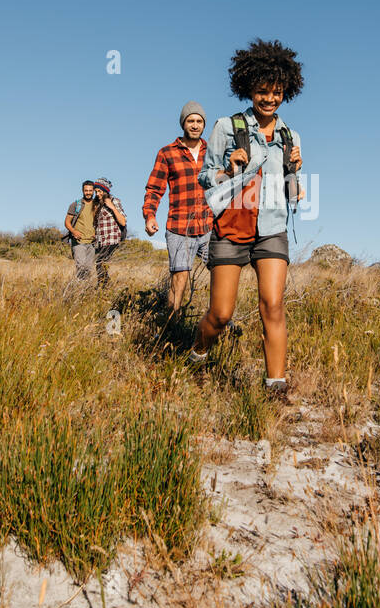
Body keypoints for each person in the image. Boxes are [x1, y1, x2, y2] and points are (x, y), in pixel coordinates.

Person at [191, 38, 304, 401]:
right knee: (221, 314)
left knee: (272, 305)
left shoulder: (290, 135)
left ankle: (276, 389)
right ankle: (198, 355)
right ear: (249, 89)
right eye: (262, 91)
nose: (270, 99)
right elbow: (206, 177)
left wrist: (295, 174)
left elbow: (291, 191)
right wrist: (227, 168)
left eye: (277, 92)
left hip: (271, 229)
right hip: (232, 227)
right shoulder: (227, 126)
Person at [143, 101, 214, 315]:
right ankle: (172, 323)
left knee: (221, 273)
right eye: (190, 120)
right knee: (179, 275)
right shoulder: (167, 153)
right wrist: (150, 215)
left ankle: (219, 321)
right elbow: (154, 188)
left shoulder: (213, 152)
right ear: (183, 123)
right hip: (179, 226)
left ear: (204, 125)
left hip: (211, 225)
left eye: (199, 121)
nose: (195, 125)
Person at [89, 177, 126, 287]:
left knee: (101, 262)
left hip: (112, 238)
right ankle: (105, 286)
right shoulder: (97, 204)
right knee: (100, 264)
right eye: (96, 191)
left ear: (105, 191)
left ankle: (104, 287)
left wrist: (112, 207)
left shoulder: (115, 201)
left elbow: (123, 222)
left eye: (99, 191)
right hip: (101, 240)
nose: (97, 194)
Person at [64, 180, 100, 281]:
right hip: (79, 242)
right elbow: (67, 222)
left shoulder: (97, 205)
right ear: (82, 191)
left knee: (88, 269)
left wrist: (96, 233)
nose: (88, 192)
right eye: (86, 190)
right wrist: (73, 231)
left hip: (92, 242)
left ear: (93, 191)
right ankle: (79, 289)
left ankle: (85, 291)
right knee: (81, 267)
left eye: (90, 190)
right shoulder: (75, 205)